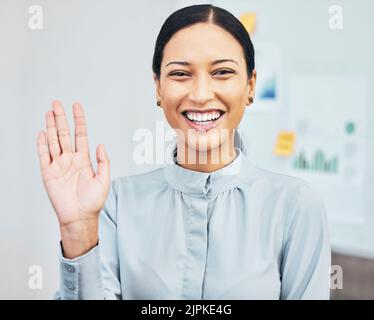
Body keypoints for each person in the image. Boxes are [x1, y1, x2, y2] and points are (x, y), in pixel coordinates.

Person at [36, 4, 331, 300]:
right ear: (158, 88)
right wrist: (78, 232)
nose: (201, 94)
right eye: (180, 74)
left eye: (222, 72)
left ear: (250, 85)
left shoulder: (295, 206)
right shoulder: (115, 204)